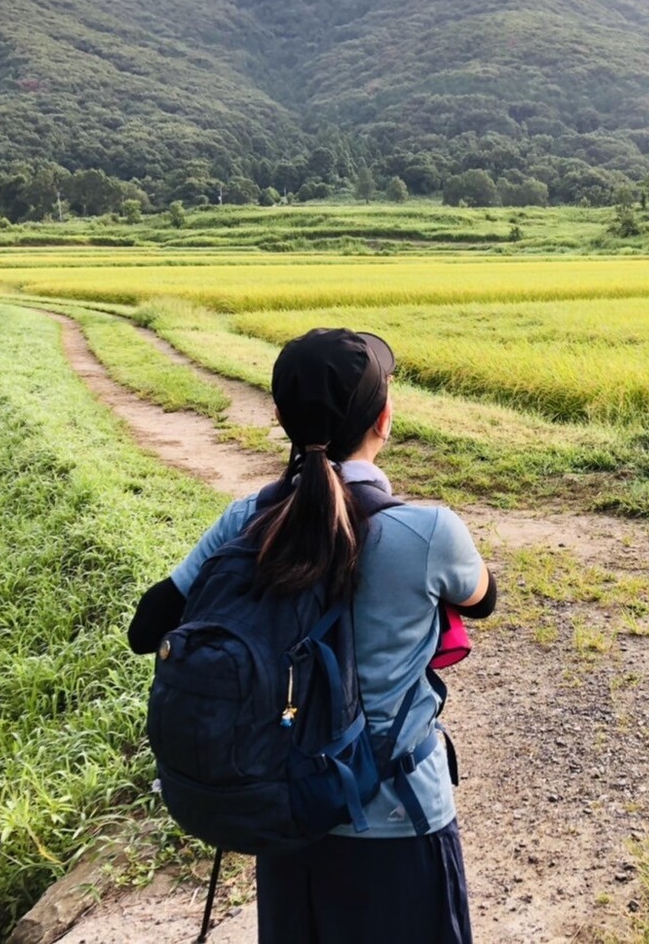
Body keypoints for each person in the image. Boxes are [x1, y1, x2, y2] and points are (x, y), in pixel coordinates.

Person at [129, 328, 494, 943]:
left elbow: (148, 628)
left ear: (279, 418)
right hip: (400, 821)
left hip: (289, 813)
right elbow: (483, 601)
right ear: (384, 419)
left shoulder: (249, 520)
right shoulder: (429, 533)